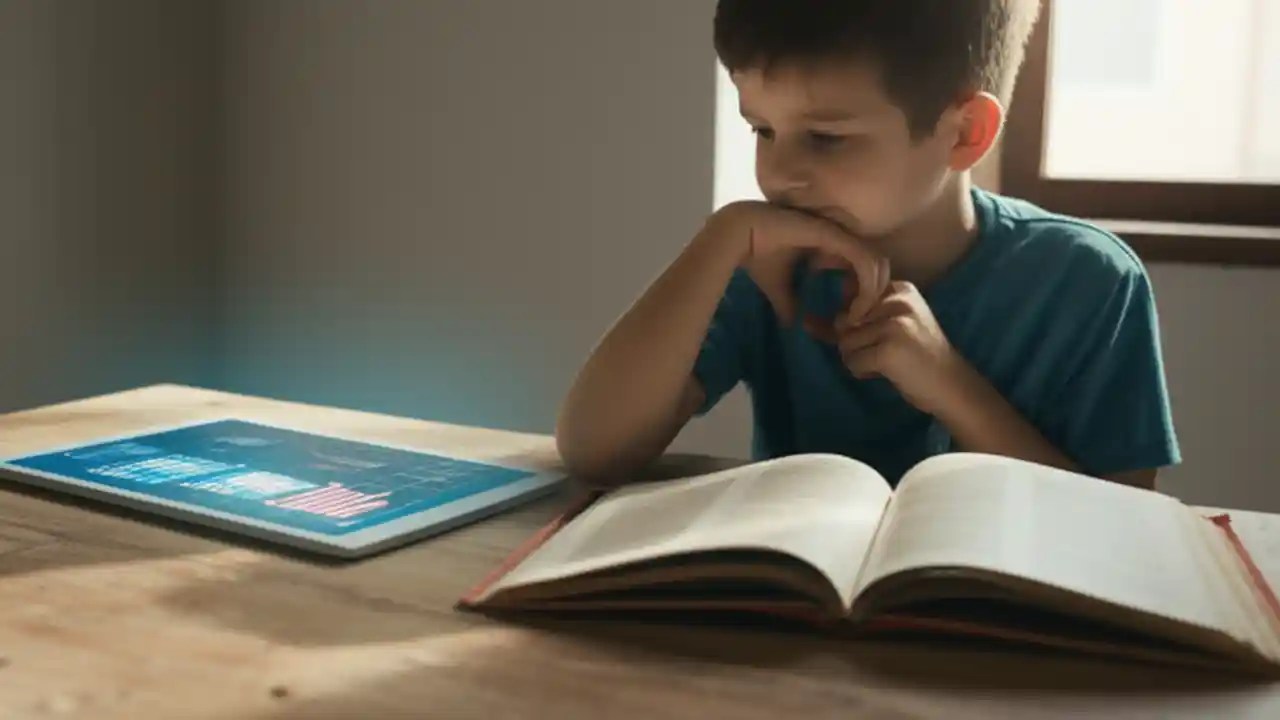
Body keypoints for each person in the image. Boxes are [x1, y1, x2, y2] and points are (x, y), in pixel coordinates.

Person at [556, 0, 1179, 489]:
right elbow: (593, 449)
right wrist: (720, 238)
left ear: (964, 133)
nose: (778, 175)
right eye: (763, 129)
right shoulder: (766, 263)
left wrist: (948, 386)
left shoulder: (1090, 283)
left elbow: (1120, 530)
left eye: (825, 139)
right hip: (791, 632)